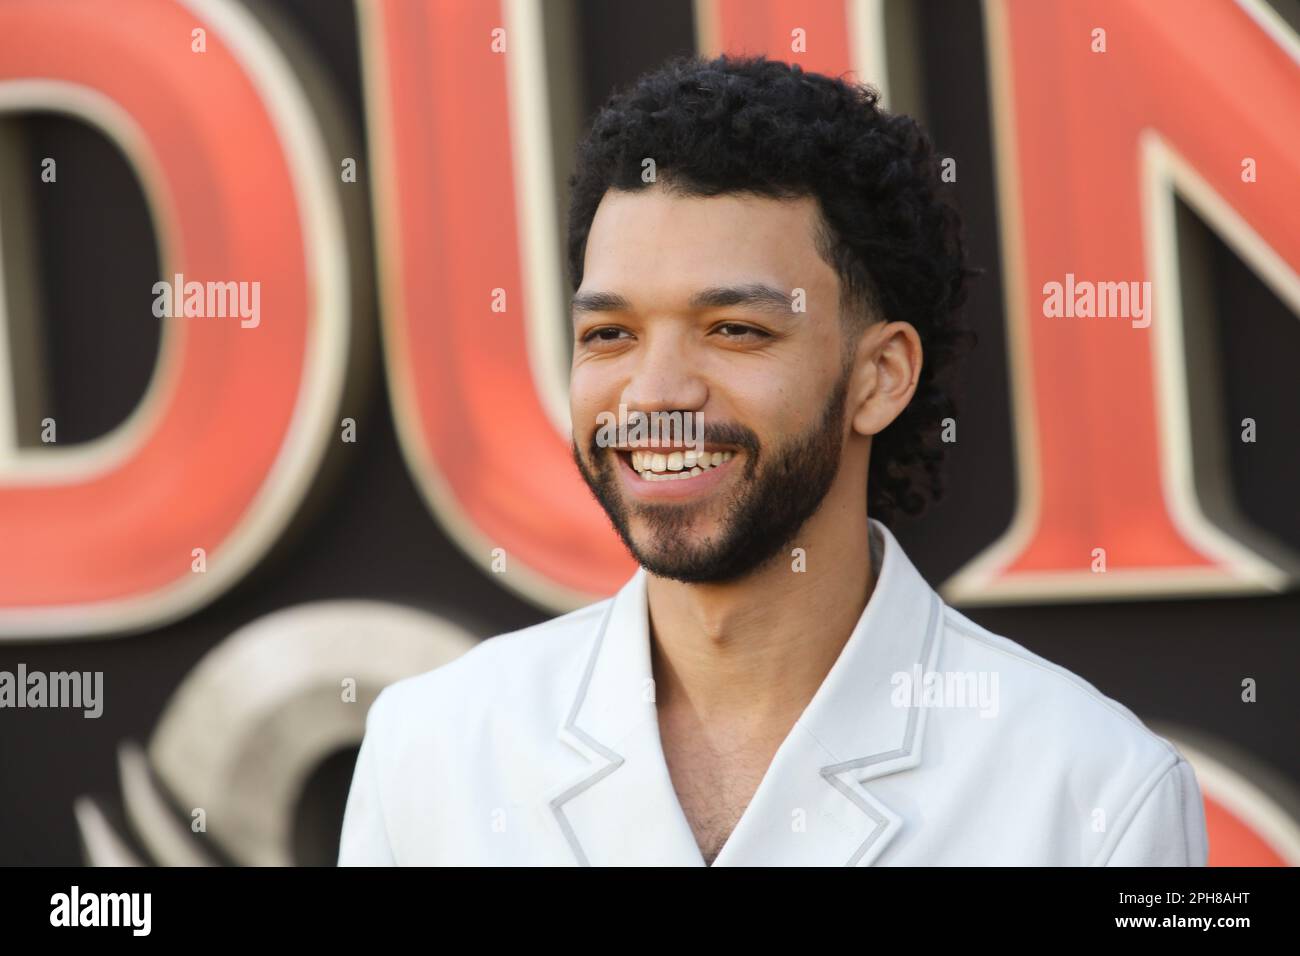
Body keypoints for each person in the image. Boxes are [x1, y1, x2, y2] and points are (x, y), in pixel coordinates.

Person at [338, 54, 1208, 866]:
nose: (653, 395)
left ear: (880, 377)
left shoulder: (1099, 793)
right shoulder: (431, 749)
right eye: (611, 334)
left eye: (735, 331)